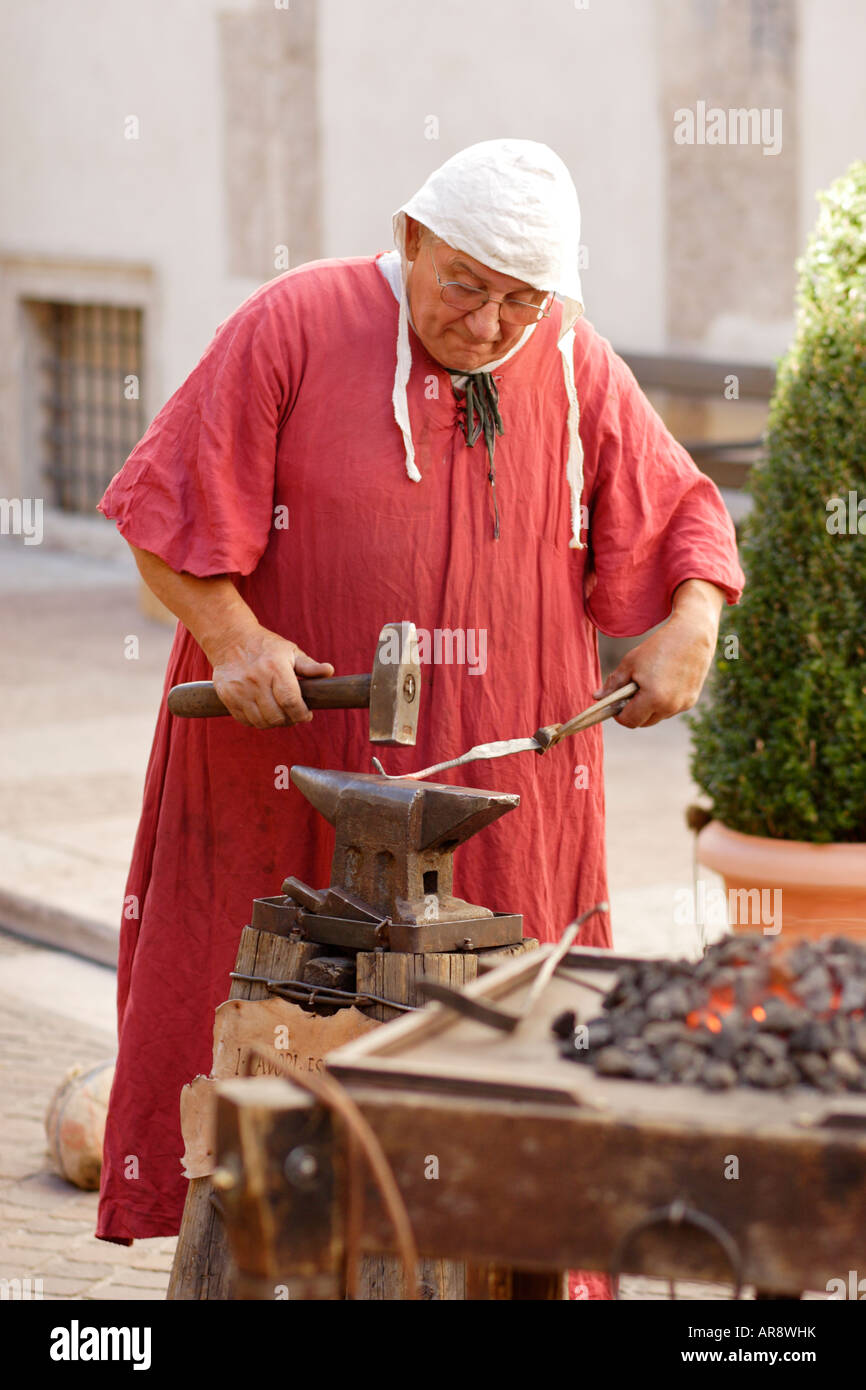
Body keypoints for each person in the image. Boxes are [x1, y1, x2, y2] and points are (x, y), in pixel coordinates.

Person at [95, 140, 744, 1299]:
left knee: (506, 1068)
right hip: (287, 772)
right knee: (266, 1044)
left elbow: (685, 512)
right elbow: (160, 508)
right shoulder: (294, 322)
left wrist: (692, 620)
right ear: (409, 239)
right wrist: (234, 639)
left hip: (501, 806)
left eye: (520, 300)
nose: (489, 325)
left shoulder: (571, 360)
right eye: (464, 285)